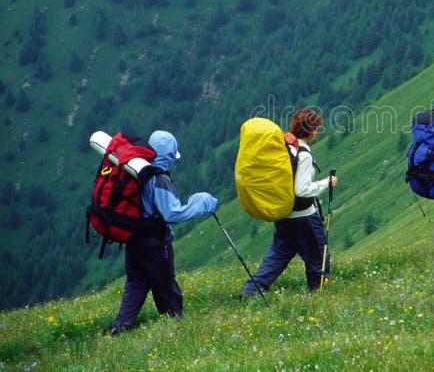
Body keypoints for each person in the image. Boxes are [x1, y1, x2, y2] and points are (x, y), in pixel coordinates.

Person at [111, 130, 218, 335]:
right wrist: (201, 203)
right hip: (155, 245)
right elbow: (172, 214)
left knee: (136, 284)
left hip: (133, 240)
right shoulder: (159, 178)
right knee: (166, 286)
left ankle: (121, 326)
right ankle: (177, 326)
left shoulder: (136, 170)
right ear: (169, 155)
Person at [240, 109, 336, 297]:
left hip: (283, 215)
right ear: (311, 131)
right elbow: (301, 189)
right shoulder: (304, 155)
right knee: (318, 257)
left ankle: (251, 291)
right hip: (304, 218)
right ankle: (319, 295)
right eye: (316, 129)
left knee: (277, 256)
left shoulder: (284, 148)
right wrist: (326, 183)